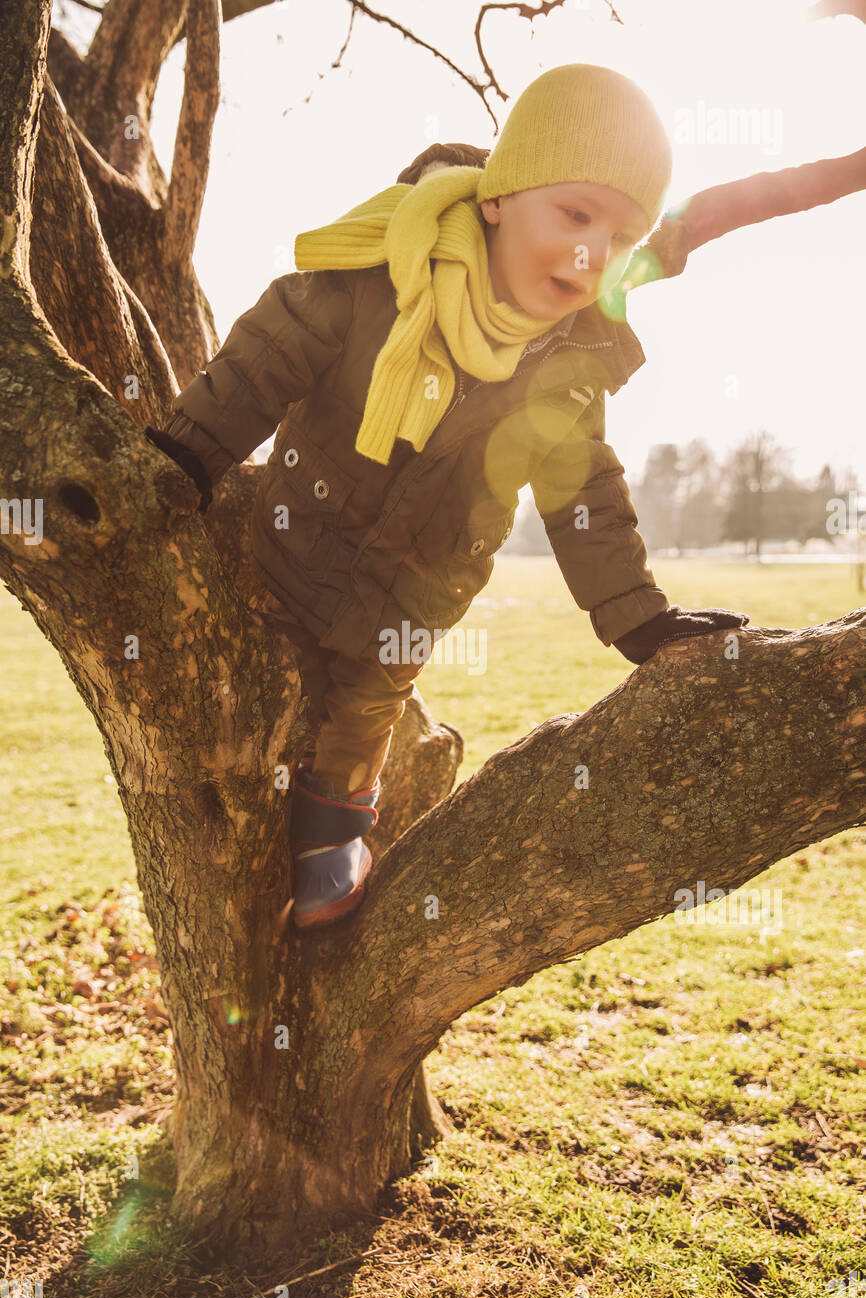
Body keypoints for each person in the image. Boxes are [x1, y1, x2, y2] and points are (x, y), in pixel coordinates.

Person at [145, 63, 749, 931]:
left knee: (365, 711)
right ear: (499, 197)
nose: (590, 253)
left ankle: (330, 855)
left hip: (417, 586)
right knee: (249, 703)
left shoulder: (572, 361)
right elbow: (264, 357)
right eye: (574, 214)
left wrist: (638, 618)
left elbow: (583, 495)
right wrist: (185, 456)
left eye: (619, 238)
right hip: (292, 539)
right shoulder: (383, 273)